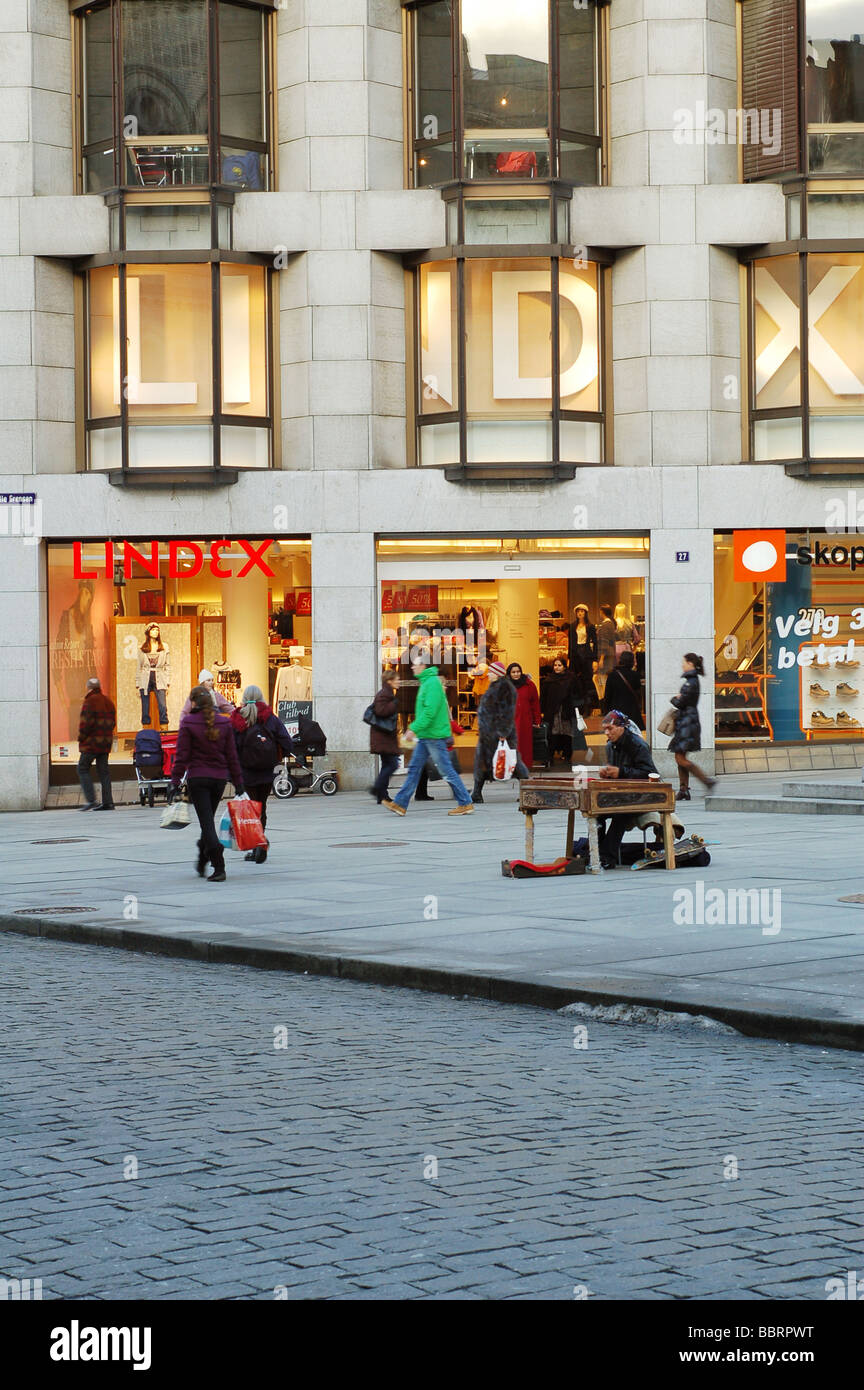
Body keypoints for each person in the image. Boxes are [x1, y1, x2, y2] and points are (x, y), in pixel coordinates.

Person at [383, 655, 473, 816]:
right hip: (427, 735)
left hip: (434, 735)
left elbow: (430, 712)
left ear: (423, 666)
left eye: (415, 664)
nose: (412, 667)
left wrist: (413, 728)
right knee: (414, 769)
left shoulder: (431, 684)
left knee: (446, 770)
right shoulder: (427, 682)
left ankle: (465, 802)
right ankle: (400, 803)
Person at [172, 685, 245, 882]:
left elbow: (182, 755)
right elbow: (232, 756)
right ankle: (202, 856)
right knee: (208, 821)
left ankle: (218, 864)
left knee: (206, 823)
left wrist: (175, 780)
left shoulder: (188, 723)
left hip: (198, 778)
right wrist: (238, 782)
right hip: (219, 779)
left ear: (193, 702)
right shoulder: (224, 723)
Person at [230, 685, 294, 863]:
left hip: (245, 773)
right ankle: (259, 844)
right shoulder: (270, 718)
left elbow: (229, 747)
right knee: (261, 808)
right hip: (266, 771)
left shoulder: (236, 718)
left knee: (249, 811)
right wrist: (282, 755)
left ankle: (259, 844)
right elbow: (287, 742)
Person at [593, 709, 659, 868]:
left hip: (641, 795)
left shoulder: (638, 745)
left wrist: (621, 772)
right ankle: (596, 853)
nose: (607, 733)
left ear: (621, 727)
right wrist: (608, 773)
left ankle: (608, 857)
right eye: (605, 730)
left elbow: (651, 773)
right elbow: (615, 771)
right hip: (621, 794)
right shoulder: (610, 746)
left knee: (621, 813)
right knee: (596, 812)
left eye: (610, 729)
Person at [472, 661, 530, 804]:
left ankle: (528, 790)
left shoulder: (505, 689)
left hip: (498, 735)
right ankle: (476, 793)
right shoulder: (496, 686)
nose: (488, 674)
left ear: (497, 674)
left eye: (491, 672)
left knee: (513, 763)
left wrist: (503, 732)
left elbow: (507, 713)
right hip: (489, 735)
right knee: (483, 763)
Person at [668, 653, 716, 800]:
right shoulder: (692, 680)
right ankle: (683, 789)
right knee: (679, 756)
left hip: (687, 723)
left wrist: (674, 699)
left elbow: (681, 702)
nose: (682, 665)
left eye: (684, 662)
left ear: (690, 664)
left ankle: (706, 781)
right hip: (687, 722)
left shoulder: (691, 682)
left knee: (680, 758)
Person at [77, 676, 116, 811]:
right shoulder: (108, 701)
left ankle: (91, 800)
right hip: (105, 743)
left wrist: (81, 738)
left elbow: (85, 724)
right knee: (104, 772)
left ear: (88, 688)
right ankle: (108, 802)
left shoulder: (89, 702)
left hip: (91, 743)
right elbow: (113, 723)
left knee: (82, 768)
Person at [540, 658, 586, 764]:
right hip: (553, 712)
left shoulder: (571, 679)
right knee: (553, 733)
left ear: (564, 666)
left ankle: (567, 755)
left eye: (559, 665)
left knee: (567, 734)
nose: (557, 667)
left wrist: (578, 708)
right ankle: (550, 756)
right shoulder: (549, 680)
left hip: (567, 711)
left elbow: (578, 694)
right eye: (555, 665)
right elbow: (544, 697)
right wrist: (542, 710)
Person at [368, 670, 400, 805]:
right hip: (383, 737)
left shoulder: (387, 693)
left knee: (387, 764)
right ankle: (377, 788)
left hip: (384, 737)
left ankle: (382, 794)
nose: (398, 681)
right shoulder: (384, 694)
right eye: (396, 679)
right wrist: (395, 704)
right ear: (389, 681)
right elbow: (380, 711)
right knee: (392, 764)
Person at [506, 662, 541, 771]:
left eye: (518, 672)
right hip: (510, 720)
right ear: (509, 673)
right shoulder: (505, 686)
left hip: (525, 720)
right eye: (513, 672)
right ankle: (511, 768)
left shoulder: (529, 685)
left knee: (525, 745)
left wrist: (537, 720)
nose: (516, 674)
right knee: (511, 745)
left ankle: (524, 767)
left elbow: (535, 703)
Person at [136, 623, 170, 727]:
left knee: (162, 706)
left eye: (157, 630)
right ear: (148, 632)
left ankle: (165, 733)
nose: (155, 632)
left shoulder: (164, 646)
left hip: (159, 676)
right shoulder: (142, 647)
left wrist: (168, 683)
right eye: (153, 630)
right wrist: (138, 684)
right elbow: (139, 666)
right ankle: (146, 733)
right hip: (145, 677)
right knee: (145, 707)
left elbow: (167, 665)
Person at [602, 650, 644, 730]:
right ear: (632, 661)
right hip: (632, 710)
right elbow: (637, 689)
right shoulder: (635, 675)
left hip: (616, 711)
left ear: (620, 660)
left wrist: (606, 710)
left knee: (617, 734)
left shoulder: (612, 675)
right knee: (631, 734)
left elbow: (607, 695)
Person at [569, 604, 597, 697]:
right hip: (575, 653)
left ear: (585, 613)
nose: (580, 613)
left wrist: (595, 659)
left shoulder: (590, 626)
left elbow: (595, 643)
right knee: (575, 677)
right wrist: (569, 658)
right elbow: (570, 643)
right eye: (578, 611)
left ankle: (588, 702)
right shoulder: (572, 626)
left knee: (587, 678)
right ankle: (578, 701)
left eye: (582, 611)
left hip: (586, 652)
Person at [594, 603, 617, 701]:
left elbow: (604, 642)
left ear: (602, 612)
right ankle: (605, 703)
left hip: (605, 656)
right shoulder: (611, 623)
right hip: (610, 655)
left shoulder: (606, 625)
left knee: (601, 681)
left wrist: (601, 659)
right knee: (604, 680)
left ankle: (603, 703)